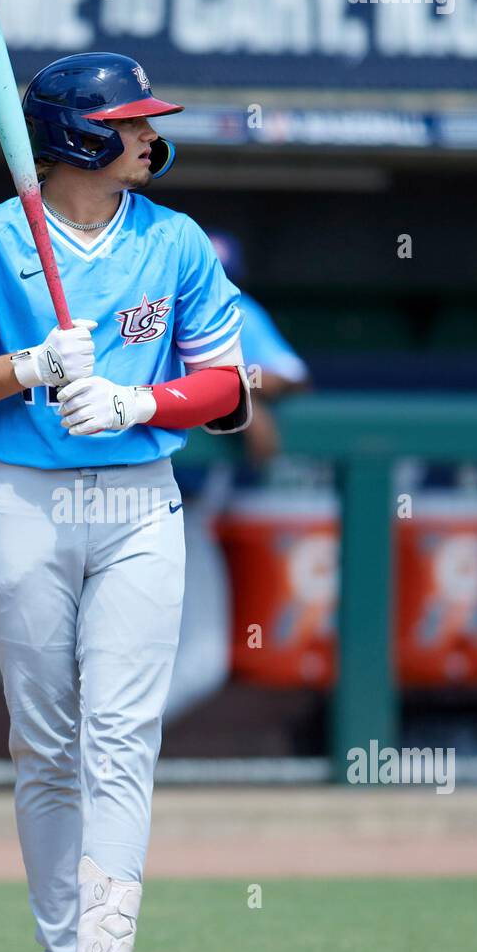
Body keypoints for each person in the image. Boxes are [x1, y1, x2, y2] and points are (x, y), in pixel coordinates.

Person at [0, 53, 250, 952]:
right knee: (42, 738)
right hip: (25, 499)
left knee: (119, 732)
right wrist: (24, 366)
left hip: (141, 501)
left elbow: (229, 386)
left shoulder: (176, 241)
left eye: (148, 122)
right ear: (76, 137)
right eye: (130, 122)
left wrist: (135, 400)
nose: (148, 136)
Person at [164, 230, 310, 722]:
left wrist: (238, 383)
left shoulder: (237, 314)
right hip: (107, 502)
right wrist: (230, 387)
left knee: (202, 662)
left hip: (188, 517)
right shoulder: (141, 307)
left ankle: (102, 755)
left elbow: (292, 376)